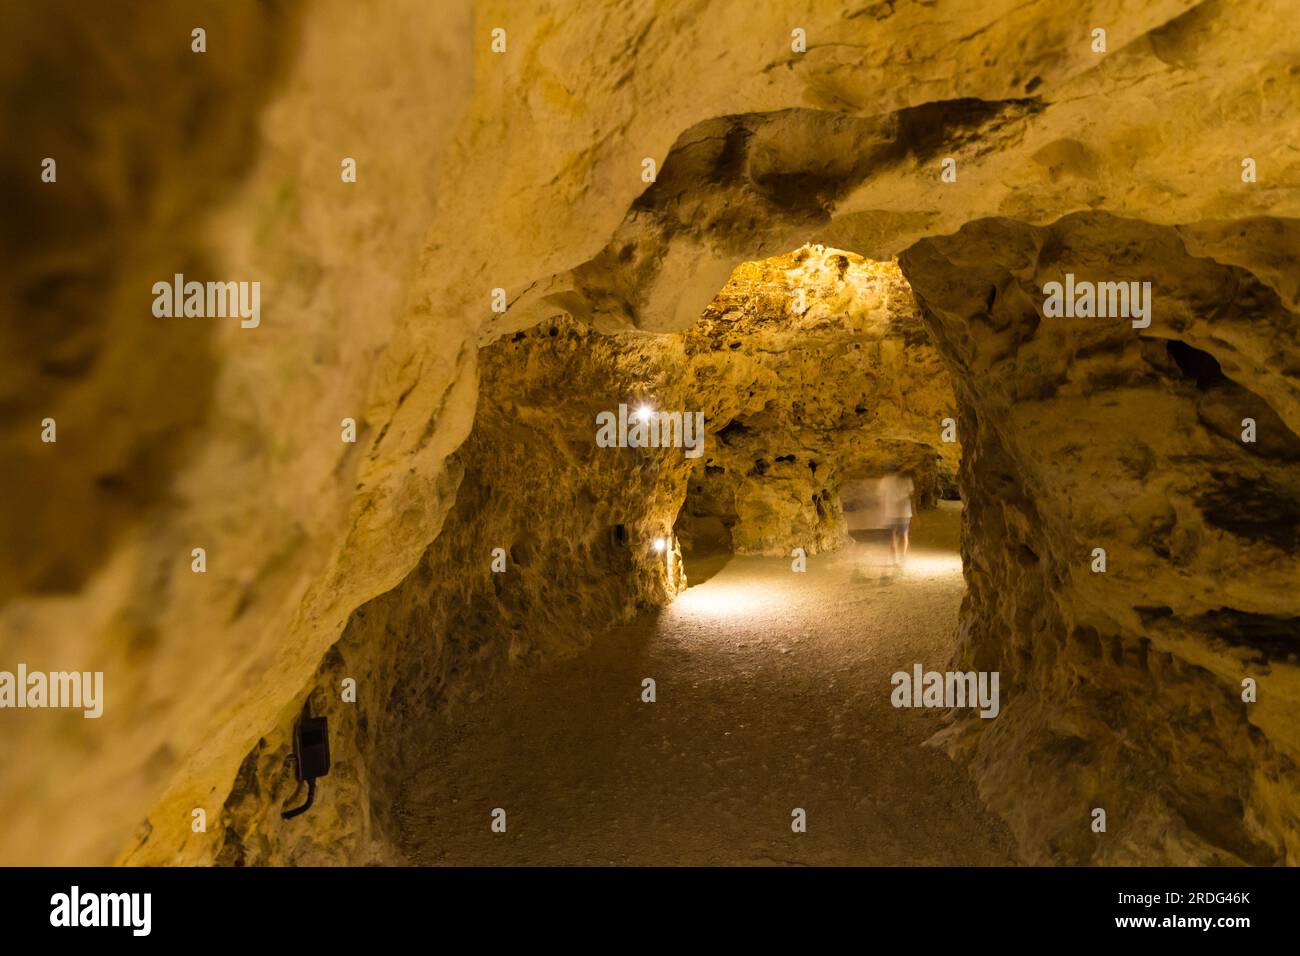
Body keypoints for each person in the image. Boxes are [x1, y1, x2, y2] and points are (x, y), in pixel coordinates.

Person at [880, 465, 914, 566]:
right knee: (904, 535)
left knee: (893, 536)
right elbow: (911, 495)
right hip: (904, 512)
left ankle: (895, 559)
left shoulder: (886, 479)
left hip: (891, 512)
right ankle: (902, 557)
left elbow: (881, 495)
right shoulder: (907, 479)